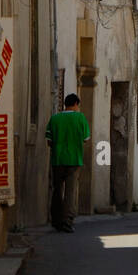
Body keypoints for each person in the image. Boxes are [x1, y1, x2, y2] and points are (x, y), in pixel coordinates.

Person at [46, 94, 90, 232]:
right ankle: (67, 221)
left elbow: (49, 141)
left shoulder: (54, 119)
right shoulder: (80, 118)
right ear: (76, 104)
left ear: (65, 104)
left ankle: (56, 220)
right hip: (74, 159)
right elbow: (86, 139)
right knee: (70, 191)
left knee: (57, 189)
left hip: (57, 159)